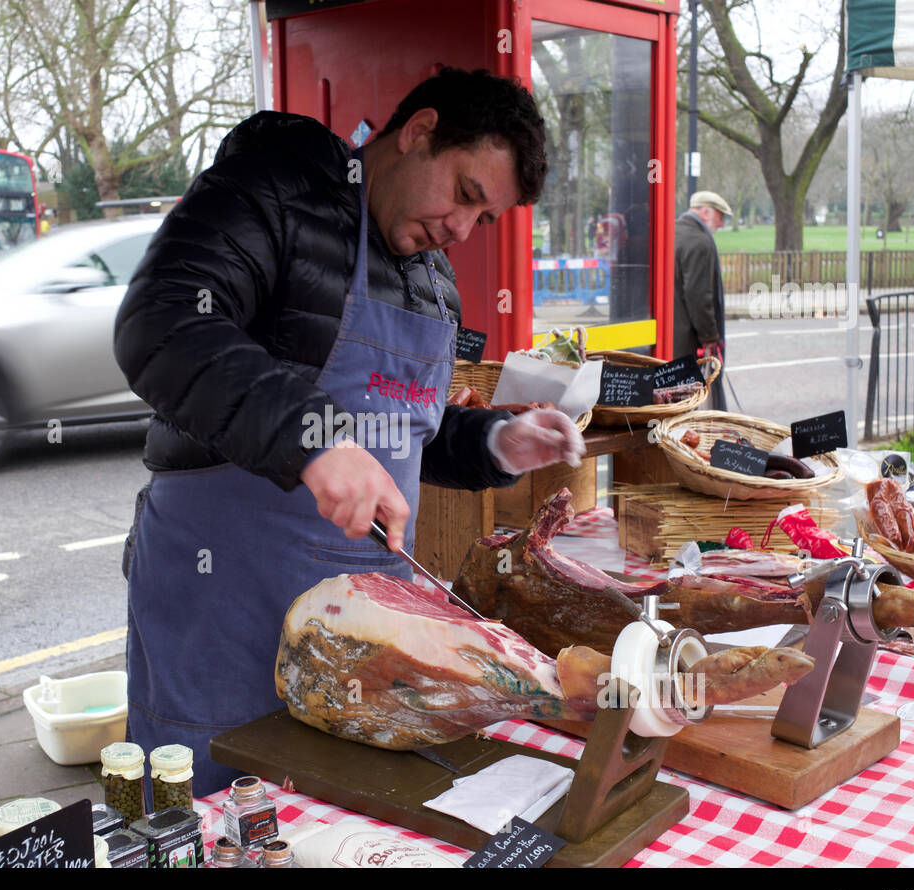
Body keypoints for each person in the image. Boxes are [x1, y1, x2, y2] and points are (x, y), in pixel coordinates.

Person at [113, 67, 585, 794]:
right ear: (420, 132)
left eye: (483, 219)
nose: (461, 230)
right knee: (218, 808)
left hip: (366, 622)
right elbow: (164, 323)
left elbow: (401, 433)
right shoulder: (275, 186)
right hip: (228, 597)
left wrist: (492, 444)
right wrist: (312, 438)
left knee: (340, 818)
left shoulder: (434, 281)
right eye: (464, 193)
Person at [674, 190, 732, 410]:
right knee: (690, 403)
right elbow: (699, 296)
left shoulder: (672, 233)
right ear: (706, 212)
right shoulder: (700, 241)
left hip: (669, 338)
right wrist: (710, 336)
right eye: (720, 217)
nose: (721, 224)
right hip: (687, 341)